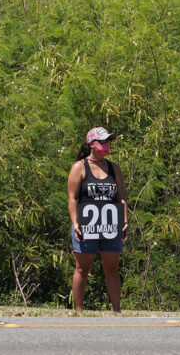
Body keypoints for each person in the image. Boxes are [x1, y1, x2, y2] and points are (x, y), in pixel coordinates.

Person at [67, 126, 128, 313]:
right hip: (86, 226)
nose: (106, 144)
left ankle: (117, 311)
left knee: (112, 269)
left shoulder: (113, 168)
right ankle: (79, 310)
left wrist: (124, 221)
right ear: (91, 144)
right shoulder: (79, 167)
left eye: (108, 141)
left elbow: (121, 198)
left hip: (110, 225)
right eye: (102, 141)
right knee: (82, 269)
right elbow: (72, 198)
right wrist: (75, 224)